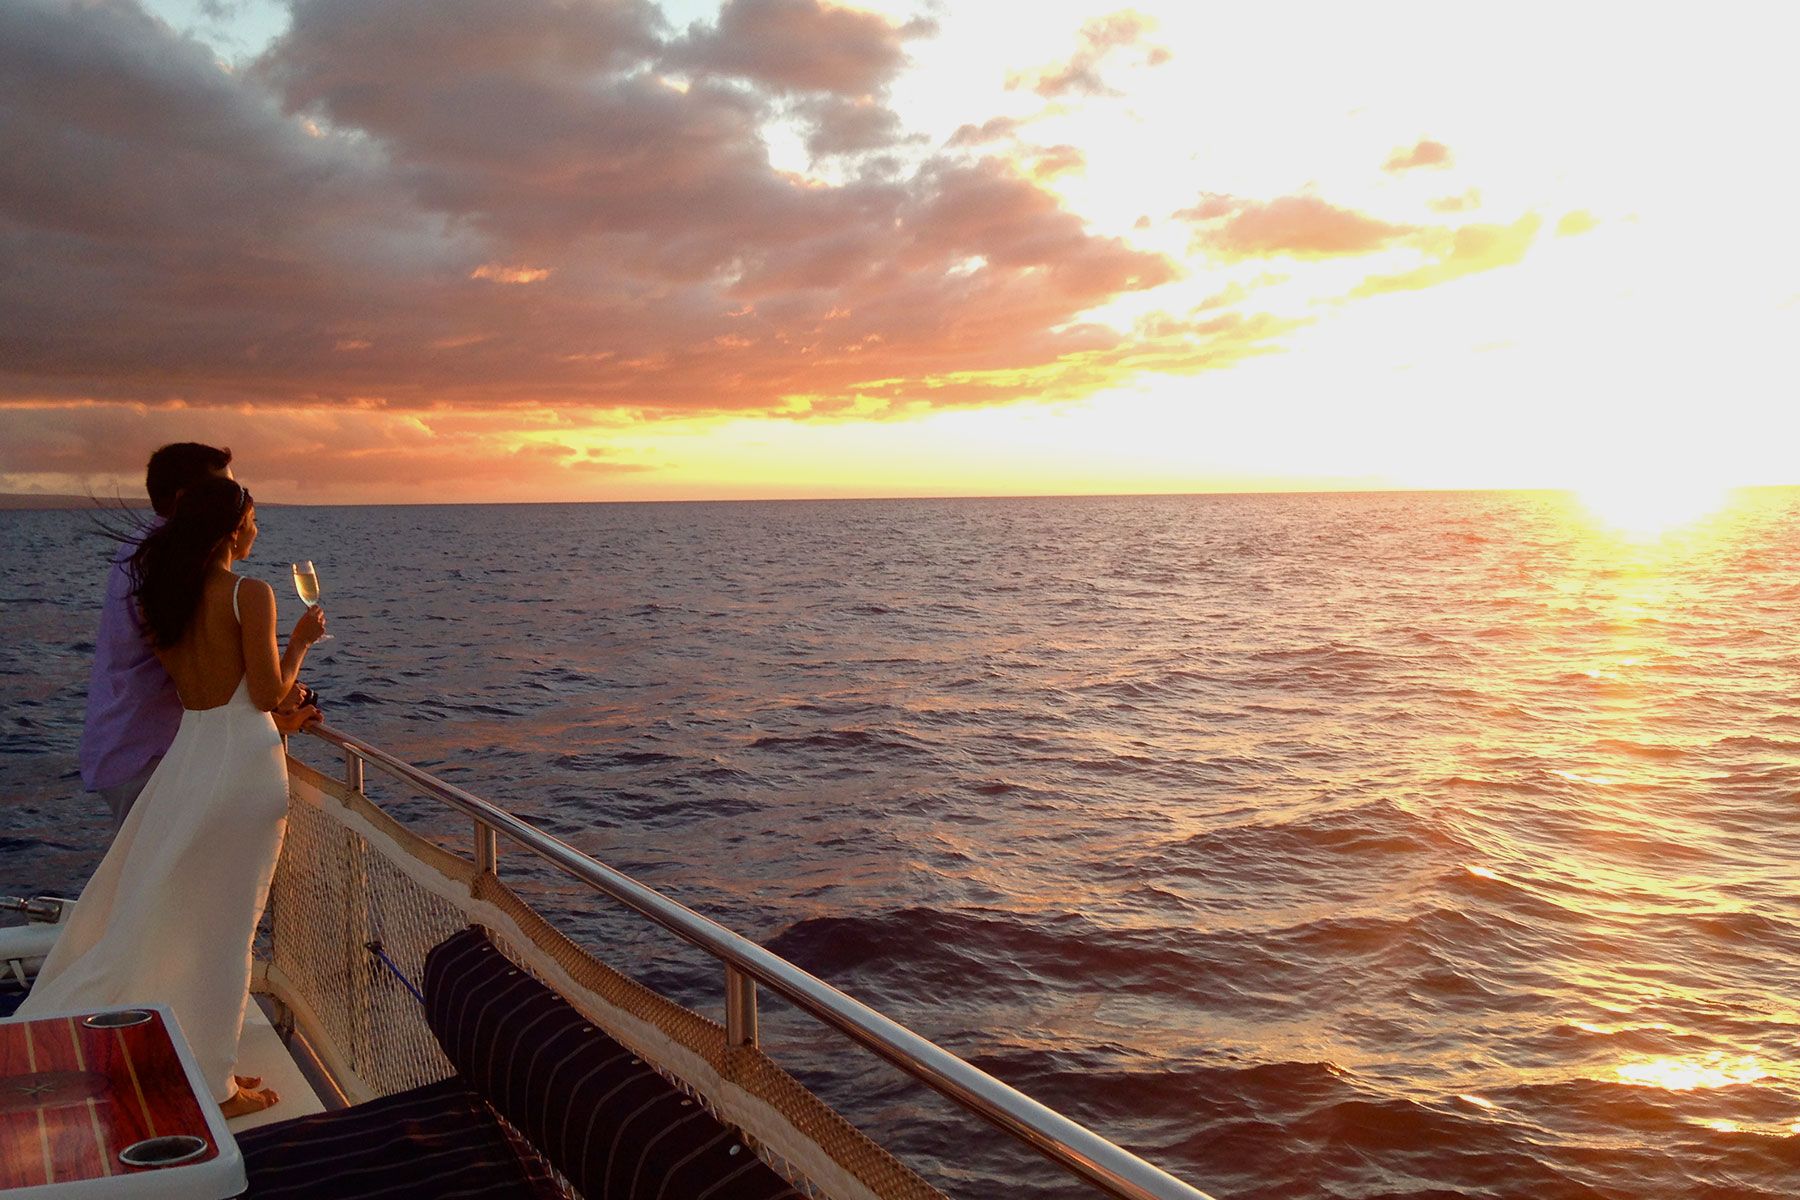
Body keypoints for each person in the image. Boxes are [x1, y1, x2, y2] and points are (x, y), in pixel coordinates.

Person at [21, 478, 328, 1117]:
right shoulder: (252, 593)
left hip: (190, 758)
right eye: (253, 518)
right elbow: (269, 695)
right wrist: (300, 642)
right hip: (244, 768)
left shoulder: (164, 598)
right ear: (230, 529)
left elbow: (211, 695)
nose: (257, 530)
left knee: (186, 915)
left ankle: (192, 1057)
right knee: (227, 925)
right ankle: (214, 1084)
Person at [82, 443, 319, 829]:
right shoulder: (159, 564)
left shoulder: (155, 556)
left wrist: (267, 714)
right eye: (221, 490)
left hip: (137, 747)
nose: (232, 500)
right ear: (184, 499)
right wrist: (282, 674)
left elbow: (198, 662)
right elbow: (208, 665)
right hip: (151, 753)